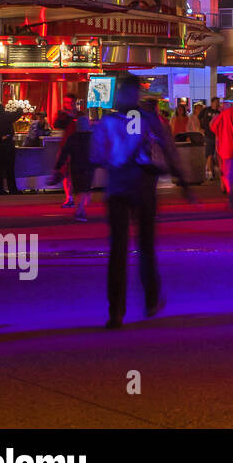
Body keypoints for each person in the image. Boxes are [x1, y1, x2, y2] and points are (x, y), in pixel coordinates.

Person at [91, 74, 190, 329]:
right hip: (143, 186)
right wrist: (183, 182)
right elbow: (168, 149)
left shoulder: (107, 122)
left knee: (118, 250)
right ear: (137, 94)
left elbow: (97, 155)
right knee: (146, 246)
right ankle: (151, 300)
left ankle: (116, 312)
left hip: (117, 188)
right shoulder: (149, 119)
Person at [54, 114, 94, 222]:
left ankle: (81, 210)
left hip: (75, 166)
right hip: (88, 167)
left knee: (78, 190)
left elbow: (64, 152)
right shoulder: (92, 137)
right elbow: (97, 152)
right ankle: (80, 211)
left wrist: (58, 166)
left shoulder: (72, 137)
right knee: (84, 189)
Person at [54, 93, 80, 207]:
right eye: (66, 102)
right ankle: (69, 198)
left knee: (77, 174)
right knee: (65, 173)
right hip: (66, 147)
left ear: (75, 102)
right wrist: (65, 115)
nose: (68, 105)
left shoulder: (80, 115)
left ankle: (78, 198)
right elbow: (57, 124)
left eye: (70, 102)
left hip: (78, 148)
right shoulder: (62, 115)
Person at [199, 97, 221, 180]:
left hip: (217, 137)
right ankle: (210, 173)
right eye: (215, 102)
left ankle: (215, 171)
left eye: (218, 102)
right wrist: (200, 128)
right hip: (208, 135)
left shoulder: (219, 113)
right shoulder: (206, 110)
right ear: (211, 103)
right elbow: (198, 118)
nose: (217, 104)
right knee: (210, 155)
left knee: (217, 155)